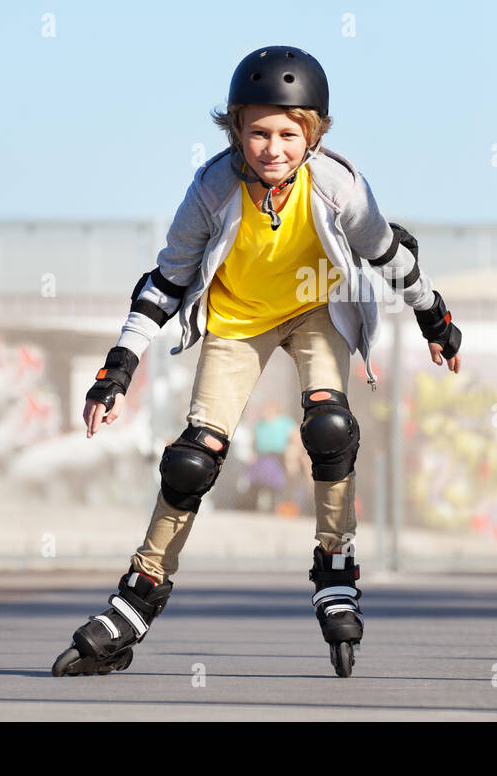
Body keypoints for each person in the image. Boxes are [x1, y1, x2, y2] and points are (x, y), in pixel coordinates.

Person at [51, 45, 462, 678]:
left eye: (289, 134)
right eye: (258, 132)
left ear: (313, 134)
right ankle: (143, 587)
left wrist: (434, 317)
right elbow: (164, 282)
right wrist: (118, 366)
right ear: (236, 129)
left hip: (316, 310)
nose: (273, 148)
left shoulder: (339, 186)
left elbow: (389, 253)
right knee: (193, 459)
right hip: (237, 321)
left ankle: (335, 563)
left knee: (329, 427)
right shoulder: (212, 189)